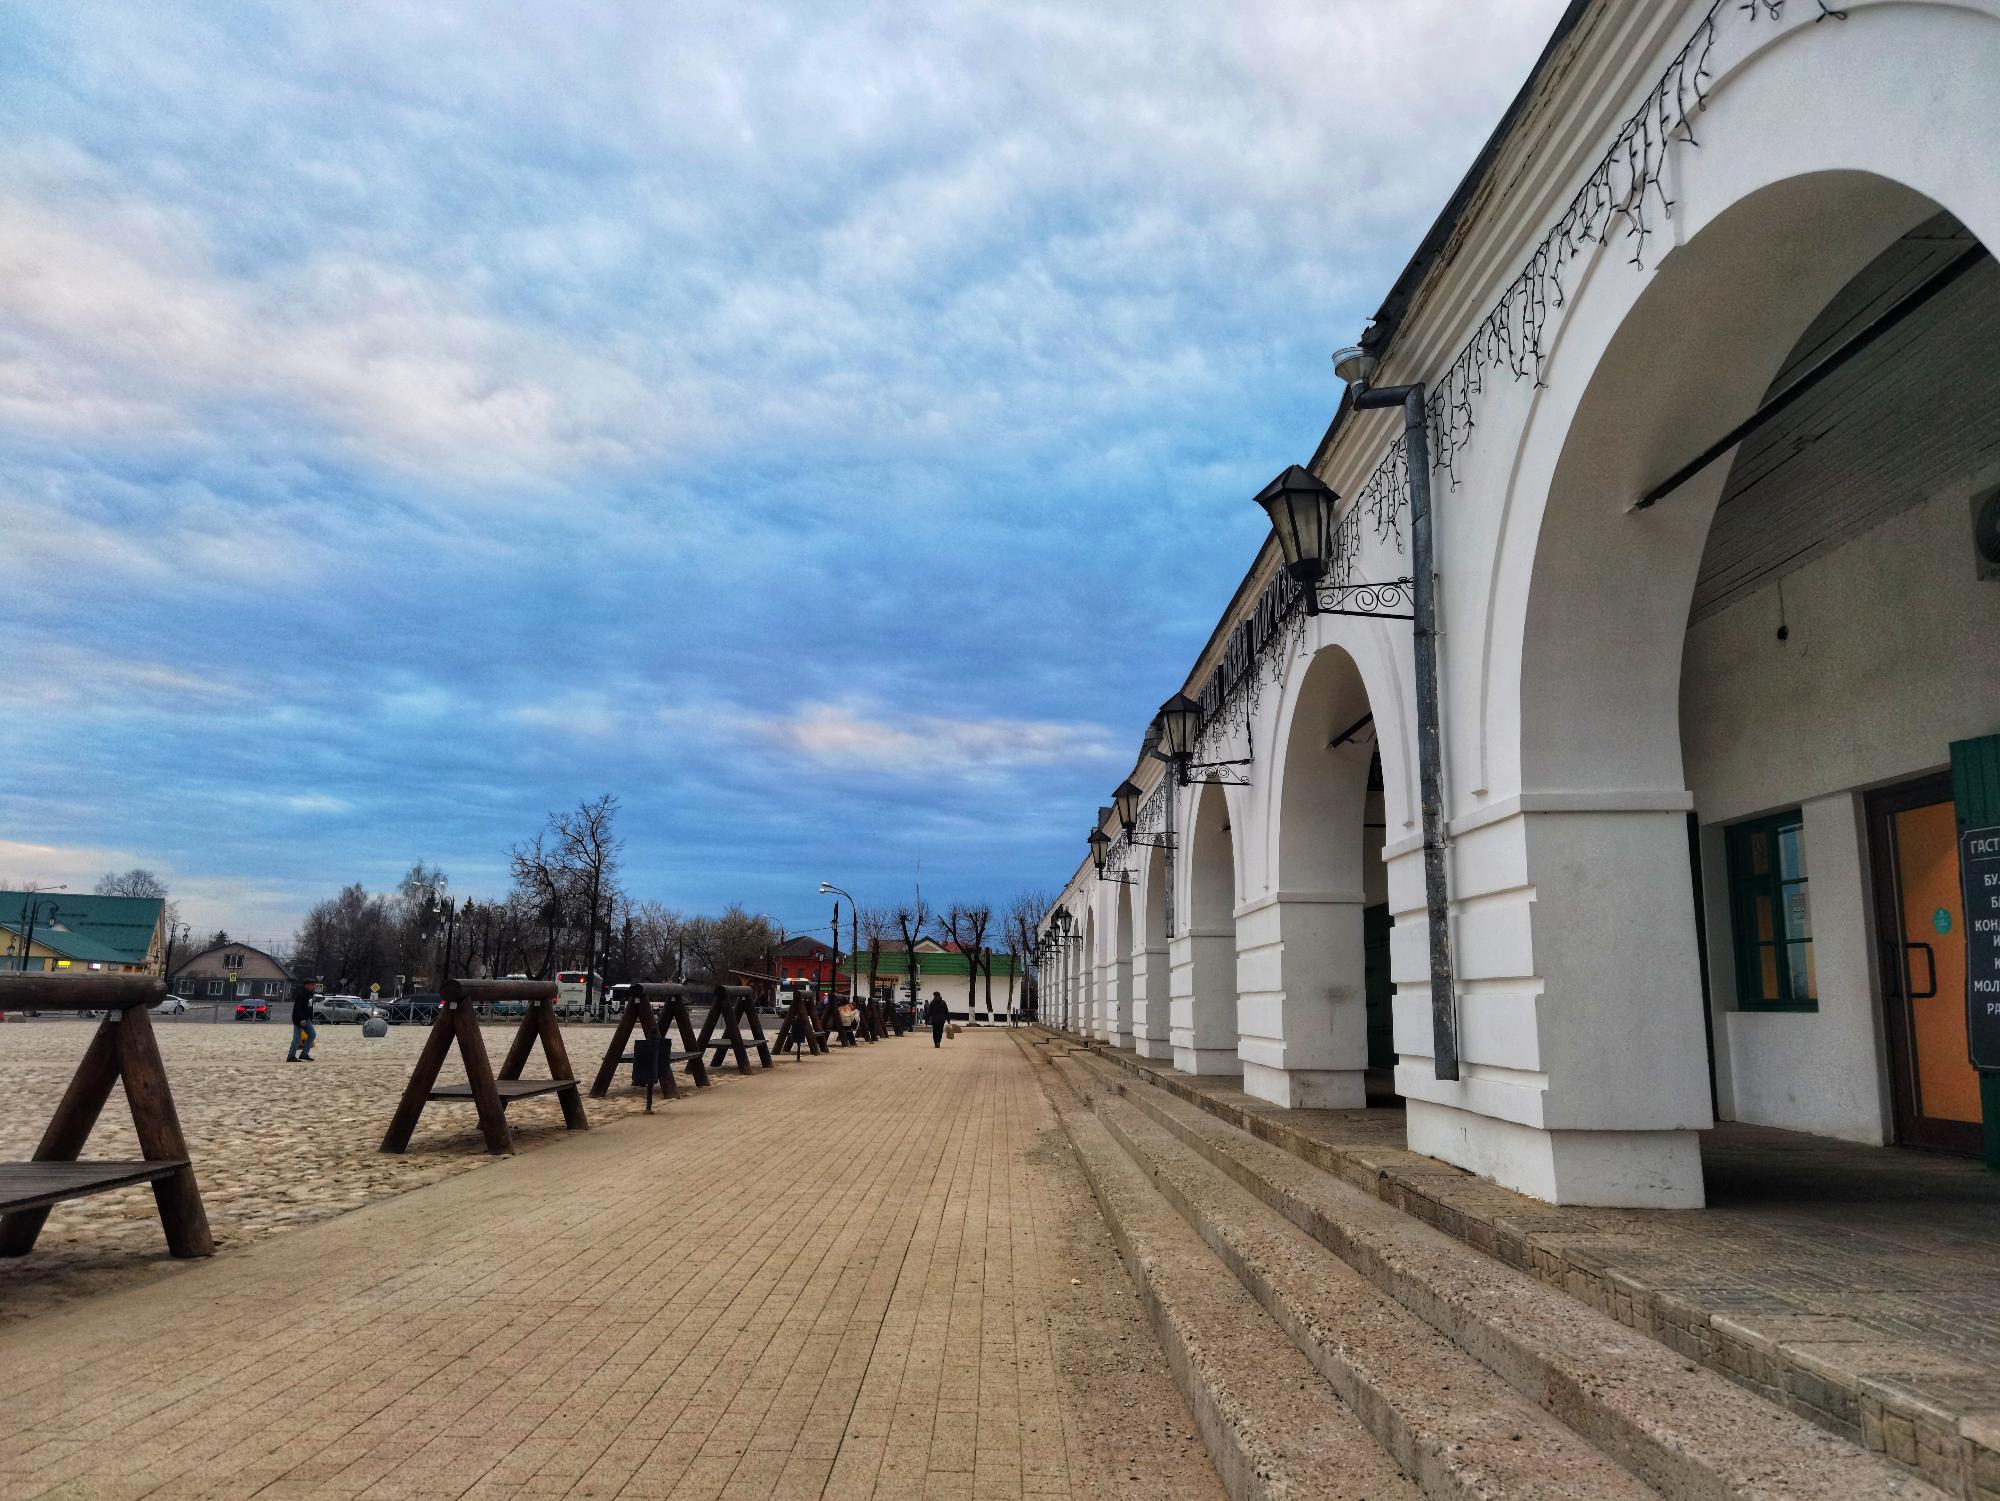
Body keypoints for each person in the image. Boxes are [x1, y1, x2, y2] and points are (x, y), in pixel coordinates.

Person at [286, 980, 319, 1063]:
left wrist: (310, 1017)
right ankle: (291, 1056)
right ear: (306, 985)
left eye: (314, 985)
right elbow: (298, 1008)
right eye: (312, 985)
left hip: (307, 1019)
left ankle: (304, 1054)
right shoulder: (301, 995)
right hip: (299, 1019)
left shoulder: (310, 994)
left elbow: (309, 1007)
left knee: (312, 1035)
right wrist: (301, 1019)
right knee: (297, 1039)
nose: (314, 986)